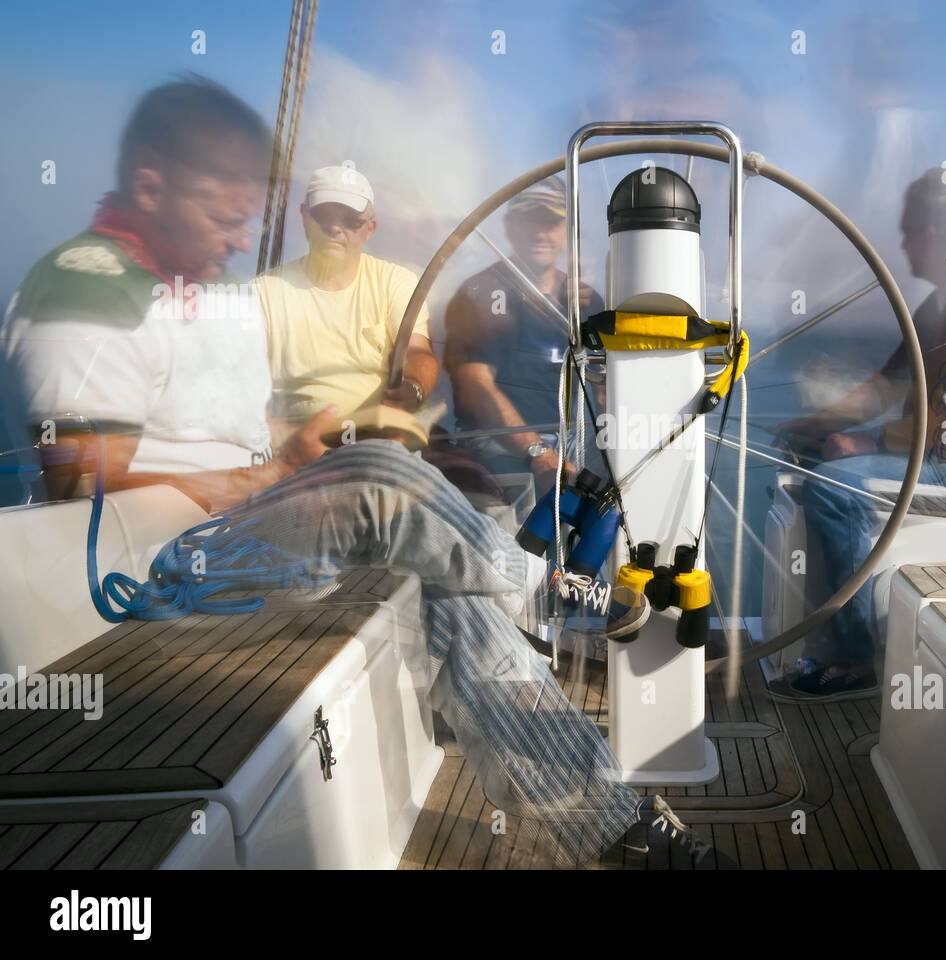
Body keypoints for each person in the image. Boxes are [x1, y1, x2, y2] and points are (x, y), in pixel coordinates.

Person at [0, 76, 719, 869]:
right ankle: (545, 590)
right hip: (180, 566)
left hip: (243, 536)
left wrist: (292, 447)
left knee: (448, 586)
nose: (244, 240)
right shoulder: (89, 285)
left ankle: (619, 831)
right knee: (377, 474)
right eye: (225, 215)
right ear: (150, 184)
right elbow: (79, 483)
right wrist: (273, 472)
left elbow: (215, 435)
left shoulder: (200, 295)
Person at [770, 168, 946, 702]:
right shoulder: (944, 297)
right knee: (810, 459)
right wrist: (817, 426)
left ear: (935, 231)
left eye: (907, 230)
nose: (901, 242)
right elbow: (886, 384)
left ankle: (854, 661)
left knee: (832, 486)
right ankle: (817, 639)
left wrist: (875, 442)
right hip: (938, 449)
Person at [442, 176, 604, 490]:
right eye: (530, 220)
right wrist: (537, 453)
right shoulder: (479, 292)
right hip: (496, 443)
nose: (540, 233)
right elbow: (473, 385)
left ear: (567, 231)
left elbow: (605, 386)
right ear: (510, 226)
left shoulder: (586, 300)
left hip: (573, 440)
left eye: (551, 222)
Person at [256, 164, 438, 438]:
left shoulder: (396, 282)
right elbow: (235, 385)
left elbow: (418, 353)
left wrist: (413, 388)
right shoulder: (263, 293)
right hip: (293, 448)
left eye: (350, 220)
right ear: (304, 217)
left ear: (370, 228)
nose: (334, 228)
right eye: (323, 215)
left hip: (379, 442)